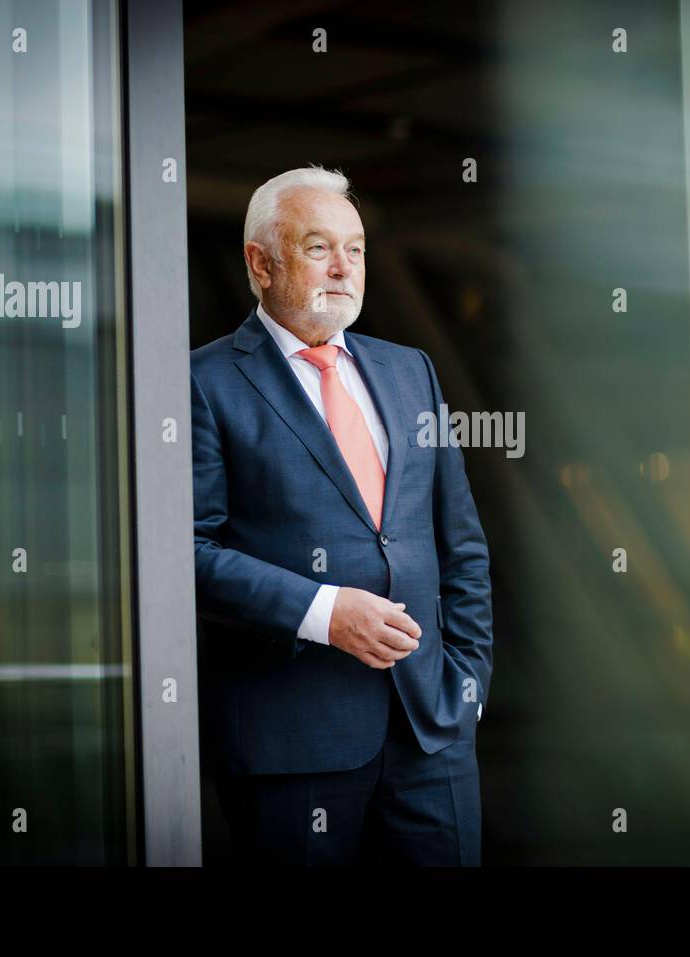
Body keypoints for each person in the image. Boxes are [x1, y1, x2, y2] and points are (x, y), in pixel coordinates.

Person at [190, 165, 493, 866]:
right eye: (318, 246)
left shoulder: (410, 369)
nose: (344, 267)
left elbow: (462, 544)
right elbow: (187, 552)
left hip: (432, 731)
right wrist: (325, 611)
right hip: (292, 744)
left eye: (355, 249)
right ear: (260, 264)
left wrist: (468, 686)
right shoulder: (201, 383)